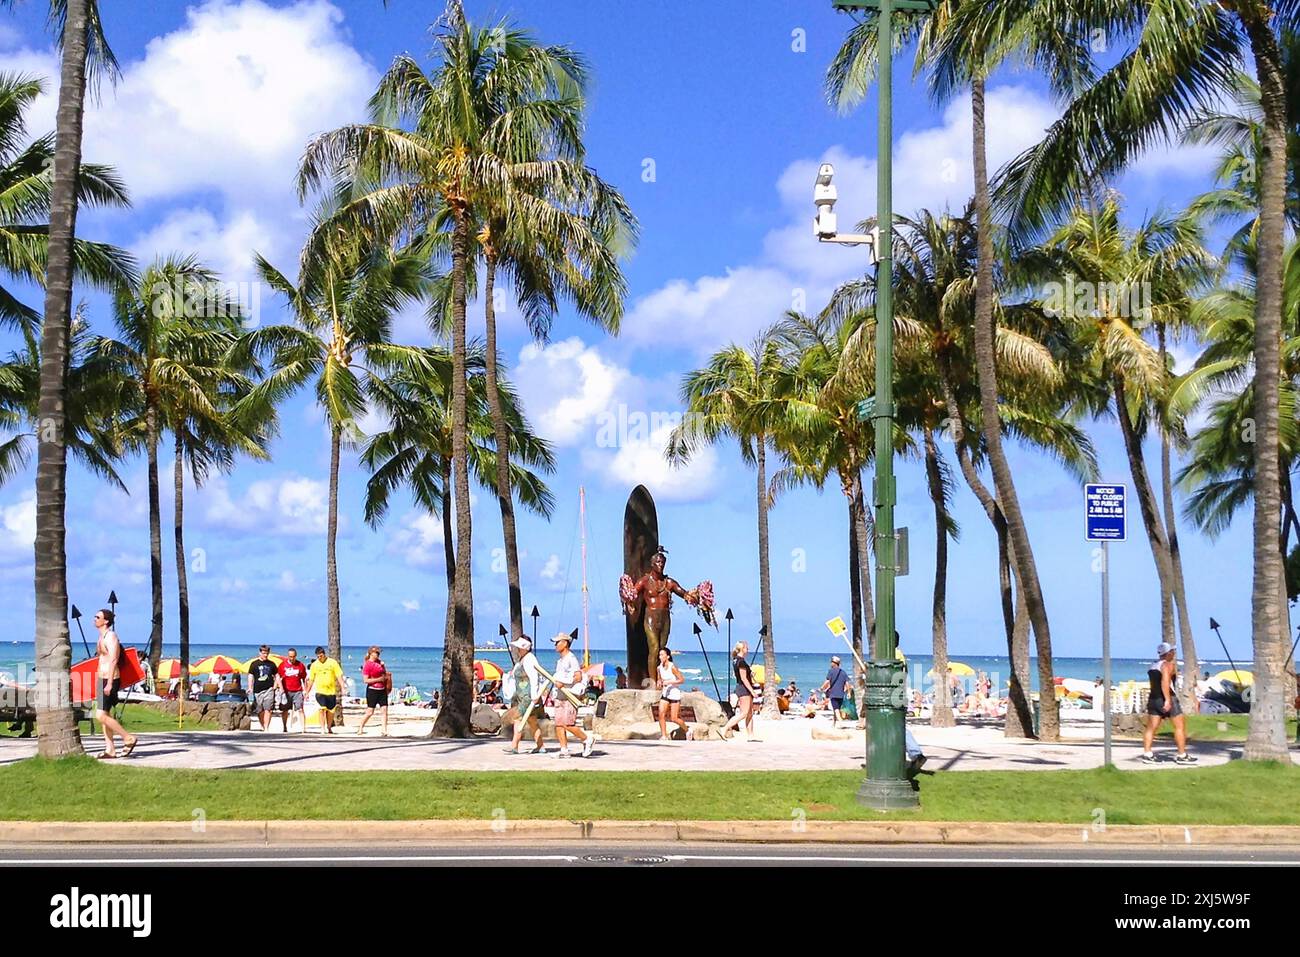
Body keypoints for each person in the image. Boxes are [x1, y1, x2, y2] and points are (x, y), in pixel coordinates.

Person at [1142, 642, 1197, 765]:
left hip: (1154, 698)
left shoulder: (1152, 666)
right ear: (1169, 653)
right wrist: (1167, 700)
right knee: (1179, 727)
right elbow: (1165, 682)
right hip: (1168, 698)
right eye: (1173, 651)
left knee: (1151, 728)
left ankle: (1147, 754)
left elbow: (1155, 683)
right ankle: (1182, 755)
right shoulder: (1168, 665)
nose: (1174, 654)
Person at [92, 609, 137, 759]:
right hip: (101, 679)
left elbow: (113, 660)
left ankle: (128, 738)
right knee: (105, 715)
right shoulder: (101, 637)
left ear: (106, 621)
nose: (94, 619)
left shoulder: (111, 636)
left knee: (100, 716)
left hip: (110, 679)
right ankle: (110, 749)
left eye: (97, 617)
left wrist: (109, 683)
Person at [550, 634, 596, 757]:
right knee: (559, 724)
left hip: (569, 696)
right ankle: (564, 749)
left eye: (557, 642)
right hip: (559, 696)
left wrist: (563, 683)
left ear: (565, 643)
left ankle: (587, 739)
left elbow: (578, 676)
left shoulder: (571, 658)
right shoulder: (560, 661)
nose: (555, 645)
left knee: (568, 724)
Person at [503, 636, 546, 754]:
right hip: (523, 696)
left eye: (519, 647)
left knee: (518, 719)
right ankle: (540, 746)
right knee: (532, 721)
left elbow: (534, 677)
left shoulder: (529, 659)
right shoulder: (523, 659)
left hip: (528, 697)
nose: (517, 649)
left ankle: (514, 746)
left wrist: (534, 696)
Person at [717, 641, 757, 740]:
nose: (748, 650)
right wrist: (752, 691)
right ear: (742, 649)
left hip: (741, 687)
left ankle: (750, 735)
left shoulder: (736, 660)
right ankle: (724, 728)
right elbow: (743, 678)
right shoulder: (741, 661)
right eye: (747, 648)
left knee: (749, 713)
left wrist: (750, 674)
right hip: (743, 688)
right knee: (744, 713)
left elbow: (741, 675)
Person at [305, 646, 345, 734]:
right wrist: (307, 692)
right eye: (318, 656)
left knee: (330, 711)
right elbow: (311, 680)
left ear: (324, 654)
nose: (320, 658)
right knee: (321, 709)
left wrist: (343, 687)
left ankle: (329, 727)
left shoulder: (332, 662)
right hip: (320, 691)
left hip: (331, 691)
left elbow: (339, 675)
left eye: (321, 656)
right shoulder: (314, 665)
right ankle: (322, 728)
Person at [655, 647, 691, 741]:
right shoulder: (659, 668)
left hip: (674, 693)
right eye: (659, 655)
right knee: (661, 714)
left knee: (674, 718)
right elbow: (659, 678)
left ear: (667, 656)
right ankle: (663, 736)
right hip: (665, 693)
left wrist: (670, 682)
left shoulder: (672, 667)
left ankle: (687, 730)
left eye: (662, 655)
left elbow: (681, 680)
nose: (660, 657)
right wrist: (659, 682)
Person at [356, 646, 390, 736]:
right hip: (372, 690)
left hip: (382, 690)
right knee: (370, 712)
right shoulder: (367, 664)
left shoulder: (380, 663)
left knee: (384, 710)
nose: (378, 655)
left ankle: (384, 730)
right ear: (371, 653)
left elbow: (384, 674)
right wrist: (378, 679)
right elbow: (366, 680)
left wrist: (383, 666)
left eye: (379, 653)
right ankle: (360, 727)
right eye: (377, 653)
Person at [247, 645, 280, 731]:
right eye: (264, 653)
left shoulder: (271, 664)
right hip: (257, 690)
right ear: (260, 653)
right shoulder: (254, 664)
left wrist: (276, 686)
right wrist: (250, 687)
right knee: (259, 710)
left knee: (268, 709)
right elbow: (250, 676)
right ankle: (262, 724)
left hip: (269, 689)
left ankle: (266, 727)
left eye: (267, 653)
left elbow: (277, 675)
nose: (265, 655)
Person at [277, 647, 309, 733]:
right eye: (290, 656)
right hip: (286, 691)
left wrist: (306, 691)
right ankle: (284, 727)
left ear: (296, 656)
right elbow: (277, 677)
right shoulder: (282, 665)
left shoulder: (300, 665)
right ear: (288, 656)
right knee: (285, 710)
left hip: (297, 691)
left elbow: (304, 679)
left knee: (300, 709)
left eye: (293, 656)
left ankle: (303, 728)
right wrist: (278, 688)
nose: (292, 658)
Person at [820, 655, 850, 724]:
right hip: (841, 695)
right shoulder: (843, 672)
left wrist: (822, 687)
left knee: (836, 710)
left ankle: (841, 722)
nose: (830, 663)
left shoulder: (831, 671)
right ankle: (834, 724)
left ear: (834, 663)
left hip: (834, 694)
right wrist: (848, 693)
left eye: (831, 662)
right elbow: (847, 683)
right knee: (836, 710)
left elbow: (827, 681)